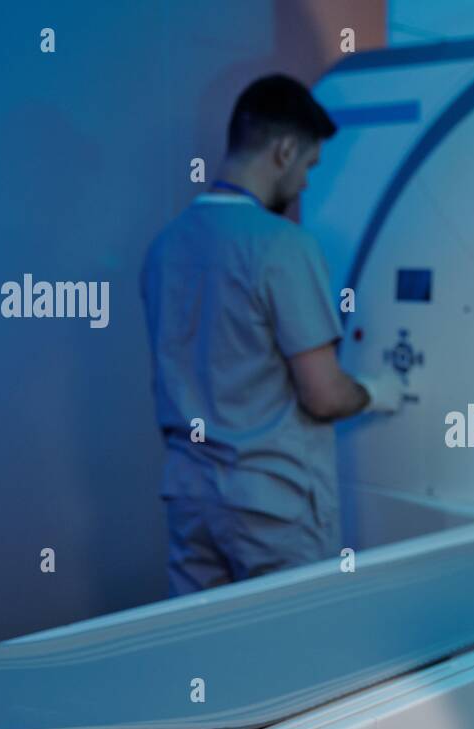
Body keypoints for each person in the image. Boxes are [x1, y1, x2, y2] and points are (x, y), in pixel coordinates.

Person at [142, 74, 405, 598]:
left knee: (205, 660)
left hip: (190, 500)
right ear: (284, 151)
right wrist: (377, 390)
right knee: (295, 665)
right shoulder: (282, 246)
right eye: (309, 165)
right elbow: (325, 394)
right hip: (270, 506)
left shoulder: (165, 247)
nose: (306, 183)